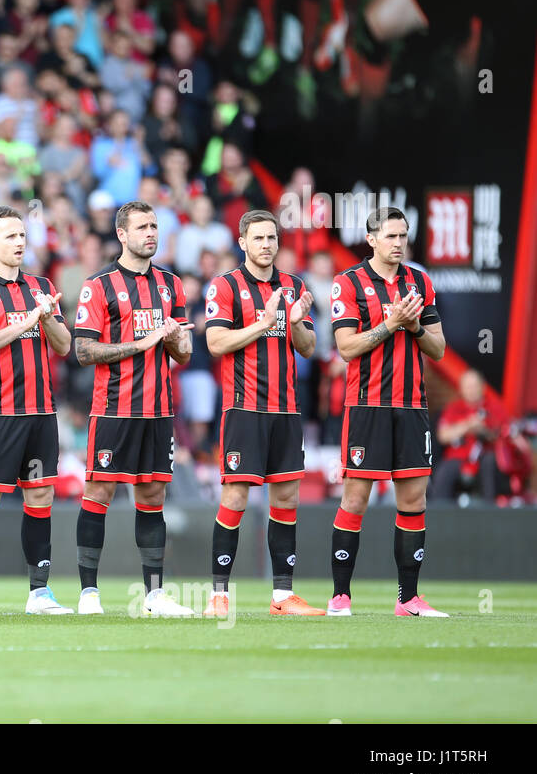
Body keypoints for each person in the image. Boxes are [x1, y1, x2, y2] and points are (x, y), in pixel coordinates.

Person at [72, 201, 194, 616]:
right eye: (142, 227)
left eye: (154, 226)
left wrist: (174, 339)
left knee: (153, 495)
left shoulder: (170, 284)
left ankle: (155, 595)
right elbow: (83, 350)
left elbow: (184, 353)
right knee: (99, 492)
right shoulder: (99, 285)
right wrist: (141, 344)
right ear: (122, 234)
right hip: (113, 409)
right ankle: (89, 593)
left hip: (158, 411)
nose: (151, 233)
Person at [202, 210, 323, 616]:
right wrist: (264, 323)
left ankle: (282, 597)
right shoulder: (225, 286)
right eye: (258, 238)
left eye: (271, 237)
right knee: (236, 496)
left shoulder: (294, 286)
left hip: (285, 408)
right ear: (242, 243)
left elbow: (308, 348)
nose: (266, 244)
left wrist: (295, 323)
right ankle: (219, 595)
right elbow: (216, 343)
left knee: (286, 496)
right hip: (244, 407)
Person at [0, 206, 73, 615]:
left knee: (40, 495)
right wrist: (25, 323)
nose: (20, 242)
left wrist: (47, 318)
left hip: (41, 413)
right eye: (10, 236)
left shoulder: (41, 286)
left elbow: (63, 345)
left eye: (22, 235)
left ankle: (39, 593)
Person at [329, 207, 447, 616]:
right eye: (391, 236)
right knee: (355, 499)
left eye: (403, 236)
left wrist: (414, 327)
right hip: (367, 405)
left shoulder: (420, 282)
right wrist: (391, 323)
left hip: (412, 405)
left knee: (414, 499)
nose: (399, 243)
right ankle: (340, 596)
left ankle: (408, 598)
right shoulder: (348, 283)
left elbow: (438, 348)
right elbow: (346, 348)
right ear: (372, 239)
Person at [431, 370, 512, 504]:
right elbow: (443, 436)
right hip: (458, 459)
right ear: (461, 389)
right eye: (468, 387)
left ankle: (490, 510)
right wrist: (468, 425)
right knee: (444, 470)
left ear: (482, 387)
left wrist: (483, 431)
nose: (471, 390)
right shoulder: (454, 408)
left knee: (490, 463)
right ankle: (440, 511)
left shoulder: (495, 408)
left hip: (484, 458)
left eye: (474, 386)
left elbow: (503, 436)